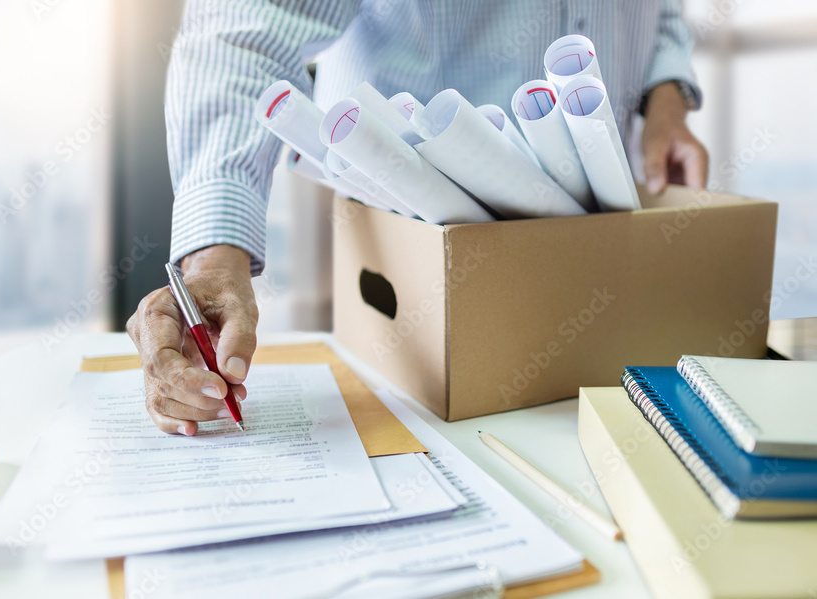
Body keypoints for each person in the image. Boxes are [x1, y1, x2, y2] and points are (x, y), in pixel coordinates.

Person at [127, 0, 708, 435]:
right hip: (415, 259)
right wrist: (212, 252)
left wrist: (667, 99)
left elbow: (662, 13)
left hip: (608, 242)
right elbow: (246, 28)